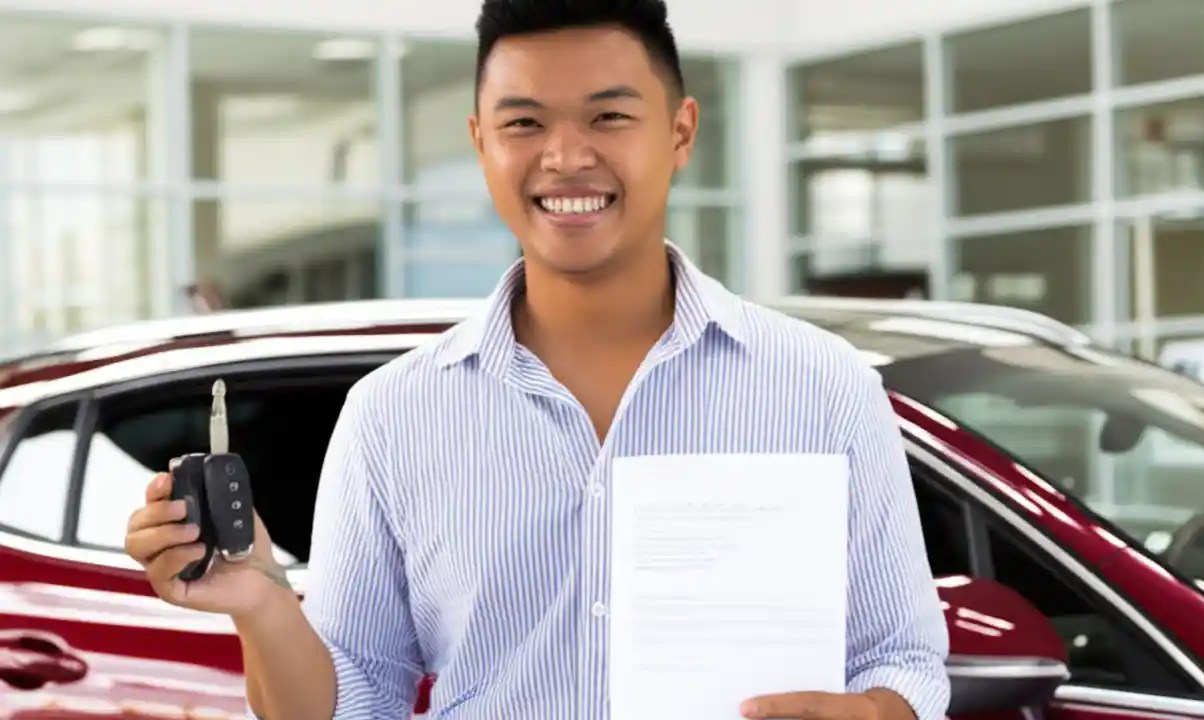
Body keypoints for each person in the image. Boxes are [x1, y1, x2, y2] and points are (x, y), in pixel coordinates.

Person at [122, 0, 950, 718]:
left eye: (608, 117)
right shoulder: (393, 416)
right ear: (482, 143)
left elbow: (903, 660)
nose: (564, 156)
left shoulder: (821, 387)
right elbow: (352, 704)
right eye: (524, 123)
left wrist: (879, 713)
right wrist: (261, 606)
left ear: (681, 132)